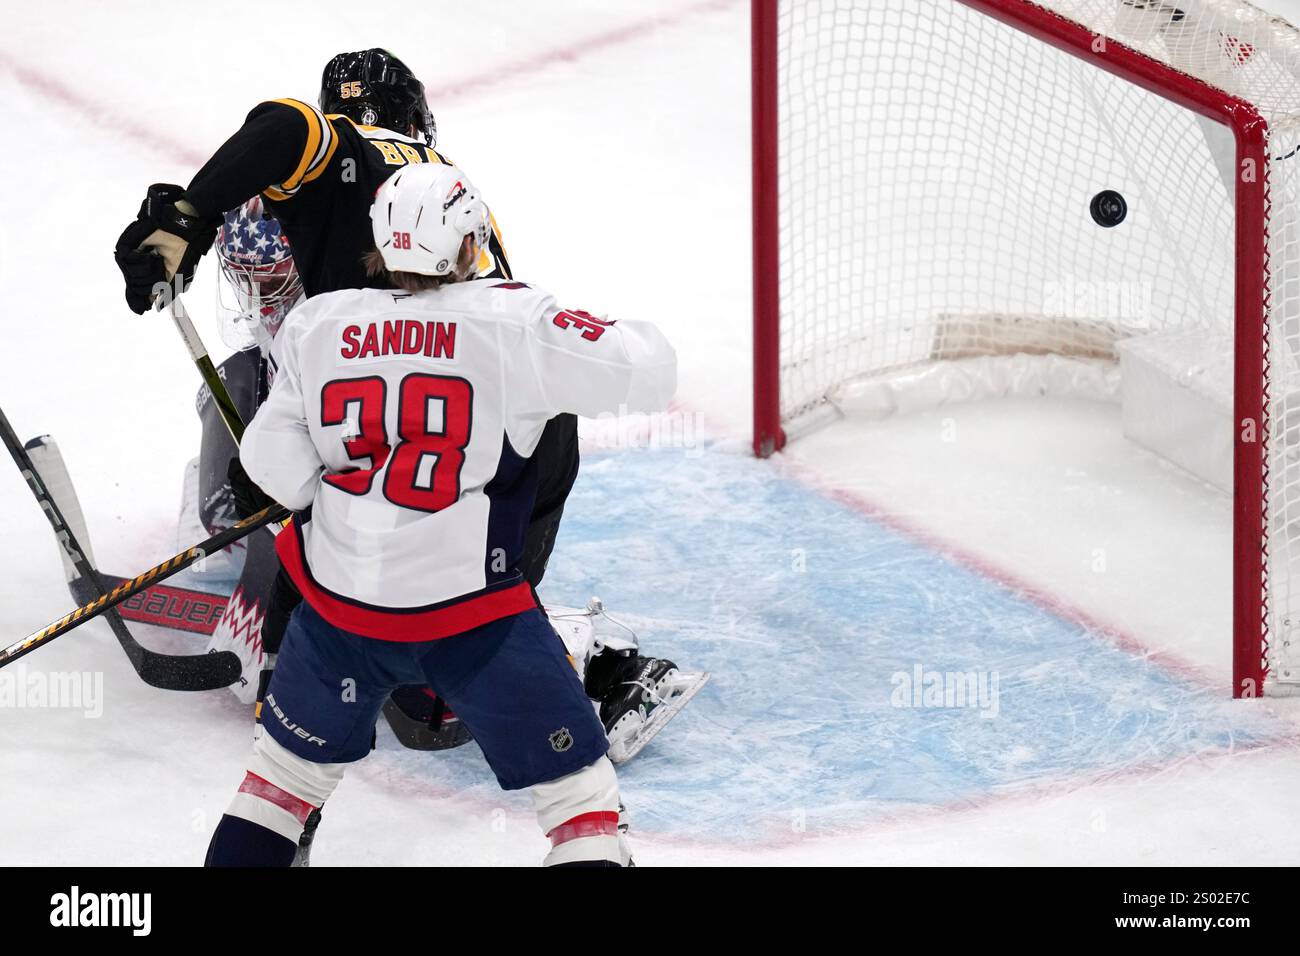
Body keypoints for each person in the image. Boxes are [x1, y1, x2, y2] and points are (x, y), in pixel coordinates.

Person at [113, 49, 703, 759]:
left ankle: (590, 670)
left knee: (412, 617)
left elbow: (286, 130)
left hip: (438, 435)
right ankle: (489, 664)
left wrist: (189, 211)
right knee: (442, 615)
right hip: (503, 422)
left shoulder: (343, 158)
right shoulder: (445, 190)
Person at [205, 163, 675, 866]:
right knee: (581, 805)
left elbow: (278, 475)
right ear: (470, 243)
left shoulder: (319, 322)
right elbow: (650, 371)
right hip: (472, 624)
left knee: (277, 789)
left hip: (338, 617)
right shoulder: (515, 321)